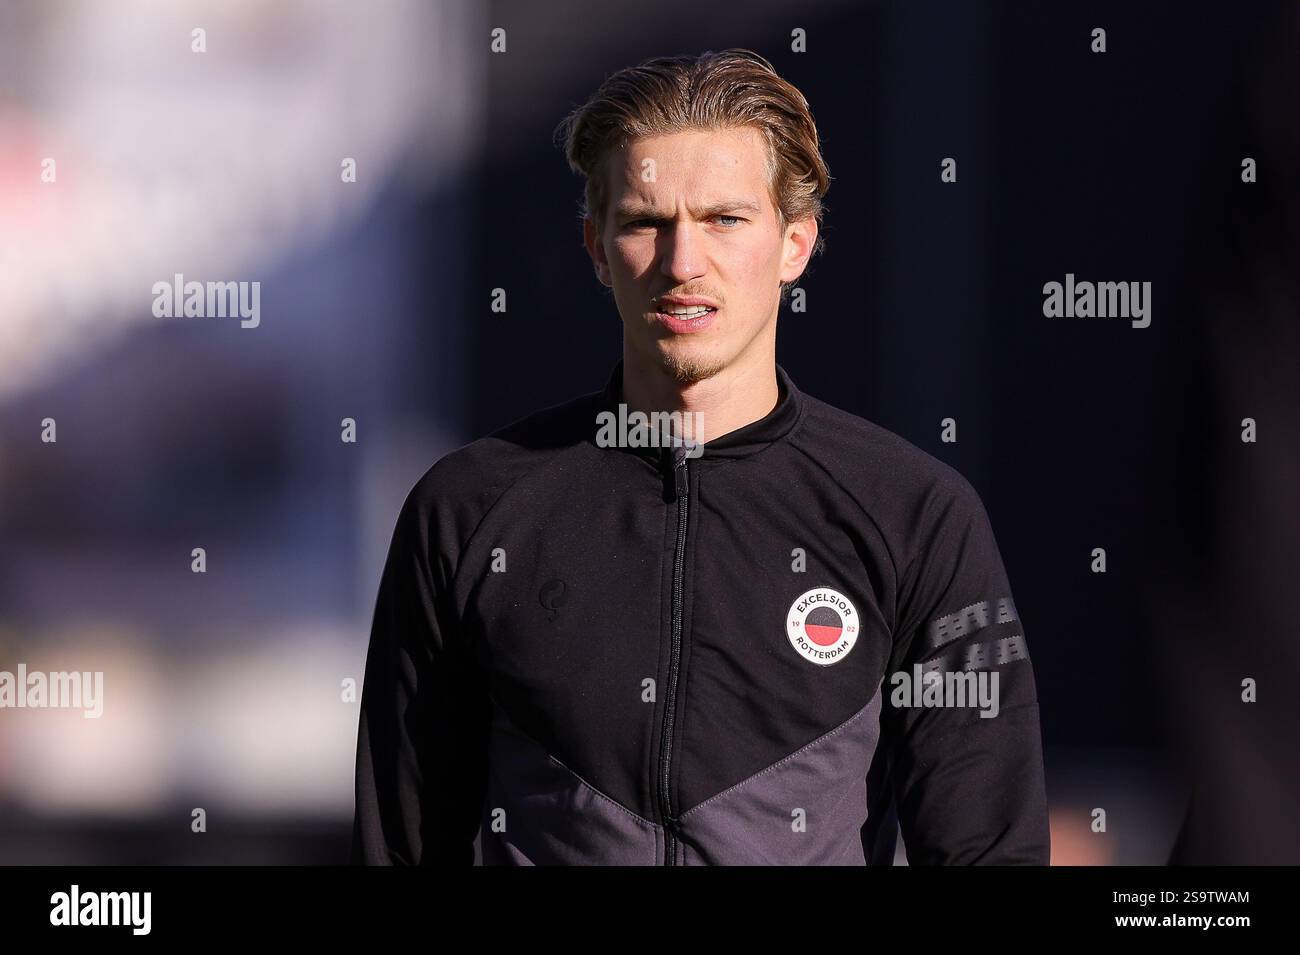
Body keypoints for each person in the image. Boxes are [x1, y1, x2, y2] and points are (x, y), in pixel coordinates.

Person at [351, 48, 1049, 865]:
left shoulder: (916, 514)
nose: (684, 264)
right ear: (596, 247)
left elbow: (987, 851)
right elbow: (399, 845)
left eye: (725, 218)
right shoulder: (467, 510)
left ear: (794, 244)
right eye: (647, 222)